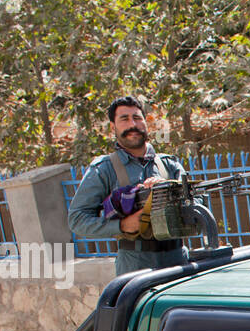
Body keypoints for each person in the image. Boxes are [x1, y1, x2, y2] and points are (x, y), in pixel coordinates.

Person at [67, 96, 192, 276]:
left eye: (137, 118)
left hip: (178, 260)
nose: (132, 124)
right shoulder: (104, 169)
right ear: (113, 127)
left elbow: (198, 204)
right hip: (135, 266)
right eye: (124, 119)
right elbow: (77, 220)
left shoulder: (169, 165)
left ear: (146, 122)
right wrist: (122, 225)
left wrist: (168, 188)